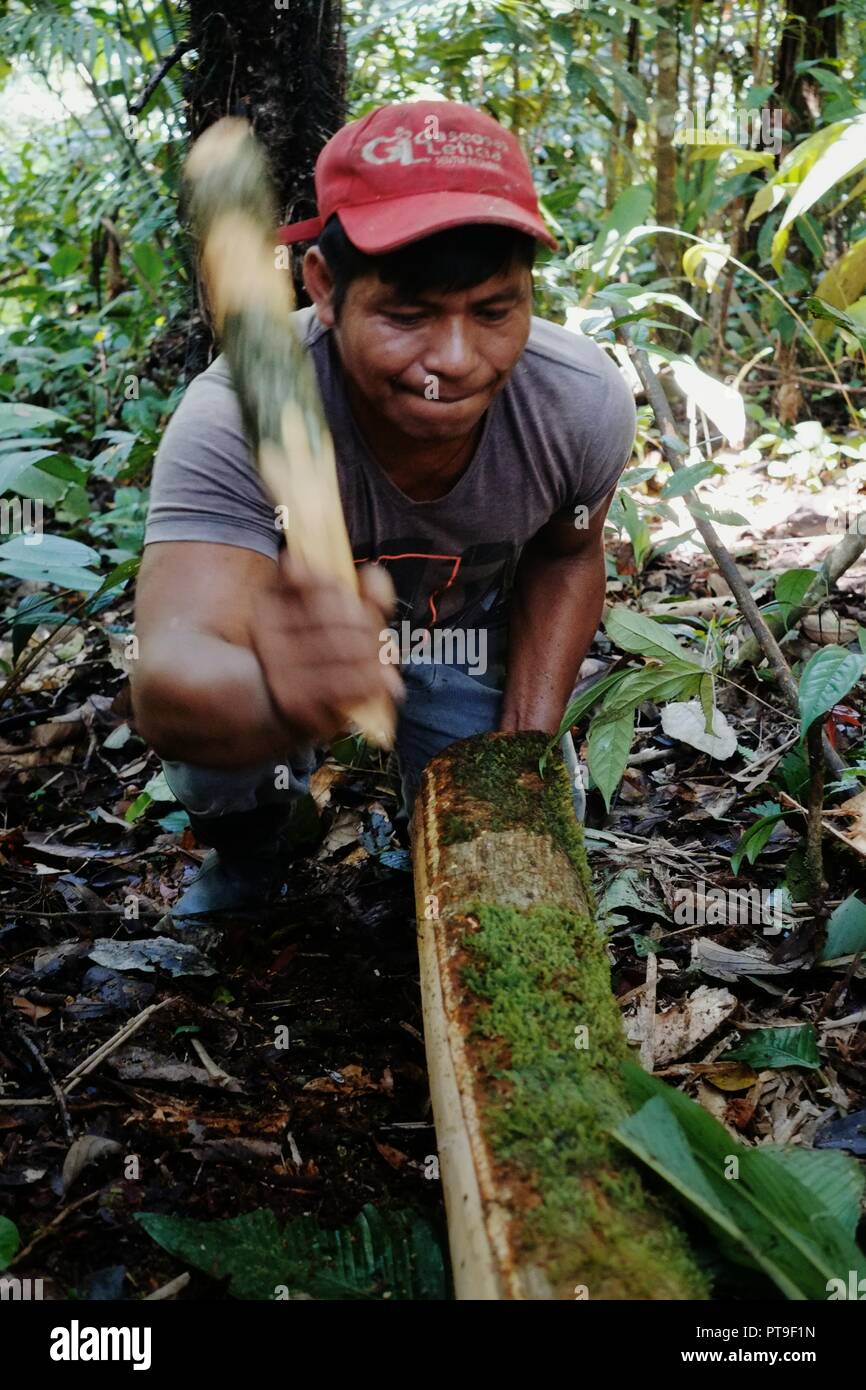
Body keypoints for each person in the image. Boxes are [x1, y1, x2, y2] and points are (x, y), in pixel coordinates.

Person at [131, 100, 636, 918]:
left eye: (495, 311)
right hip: (282, 647)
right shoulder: (231, 417)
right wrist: (275, 696)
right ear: (324, 288)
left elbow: (567, 554)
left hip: (461, 635)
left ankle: (432, 841)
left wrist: (526, 745)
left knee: (519, 846)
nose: (455, 361)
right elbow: (172, 675)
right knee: (223, 760)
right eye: (406, 315)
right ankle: (251, 852)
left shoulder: (576, 404)